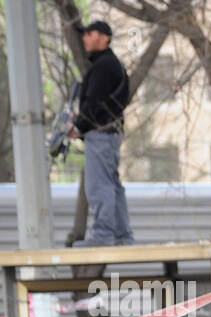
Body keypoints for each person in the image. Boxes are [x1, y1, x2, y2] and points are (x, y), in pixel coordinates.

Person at [69, 21, 133, 246]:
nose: (85, 38)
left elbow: (94, 104)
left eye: (90, 33)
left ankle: (103, 235)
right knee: (112, 185)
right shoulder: (109, 65)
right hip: (109, 133)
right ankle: (123, 236)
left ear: (105, 38)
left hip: (101, 135)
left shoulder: (104, 67)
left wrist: (78, 127)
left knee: (99, 185)